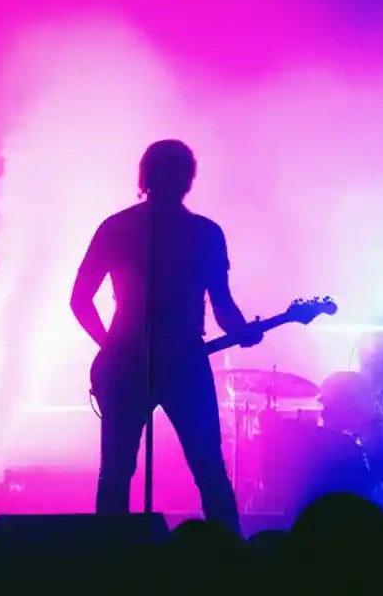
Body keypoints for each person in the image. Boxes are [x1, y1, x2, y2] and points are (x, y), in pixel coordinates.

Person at [71, 140, 260, 534]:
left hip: (130, 363)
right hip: (183, 362)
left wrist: (112, 348)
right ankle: (233, 565)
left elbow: (80, 300)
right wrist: (243, 331)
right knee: (209, 468)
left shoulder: (118, 227)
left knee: (117, 473)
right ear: (189, 179)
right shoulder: (205, 233)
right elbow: (222, 305)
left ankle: (108, 566)